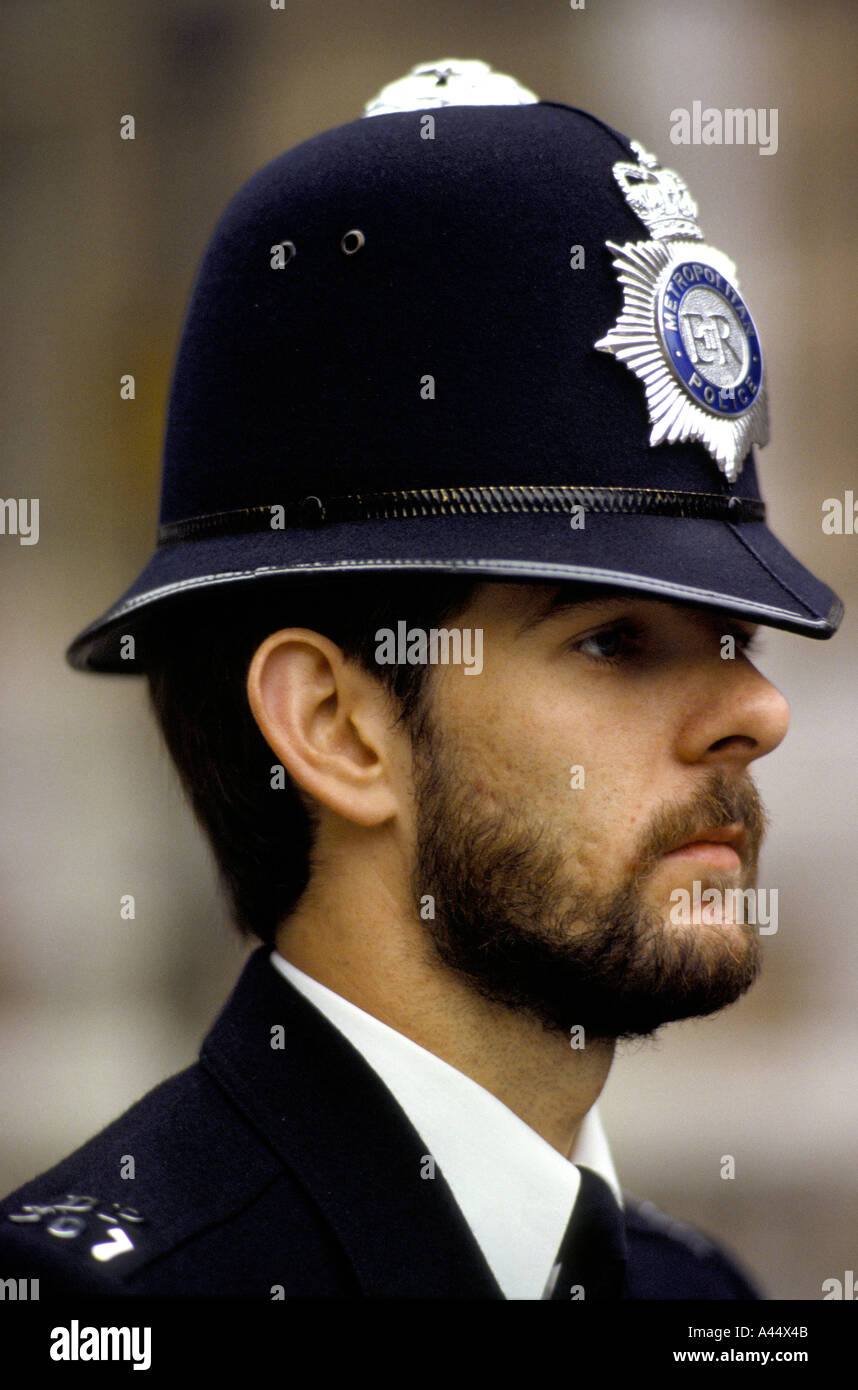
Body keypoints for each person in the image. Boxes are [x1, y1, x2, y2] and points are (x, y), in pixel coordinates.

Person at [0, 60, 842, 1300]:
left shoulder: (696, 1296)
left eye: (738, 635)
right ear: (337, 727)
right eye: (613, 639)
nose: (757, 714)